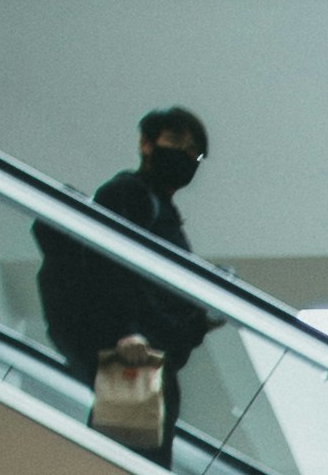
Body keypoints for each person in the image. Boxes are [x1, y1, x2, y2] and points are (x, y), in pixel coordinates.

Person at [32, 104, 215, 456]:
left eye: (195, 150)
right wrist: (126, 331)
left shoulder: (166, 214)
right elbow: (107, 267)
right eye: (175, 140)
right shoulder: (126, 194)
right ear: (147, 144)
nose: (185, 155)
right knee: (127, 458)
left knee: (138, 449)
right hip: (131, 351)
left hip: (150, 352)